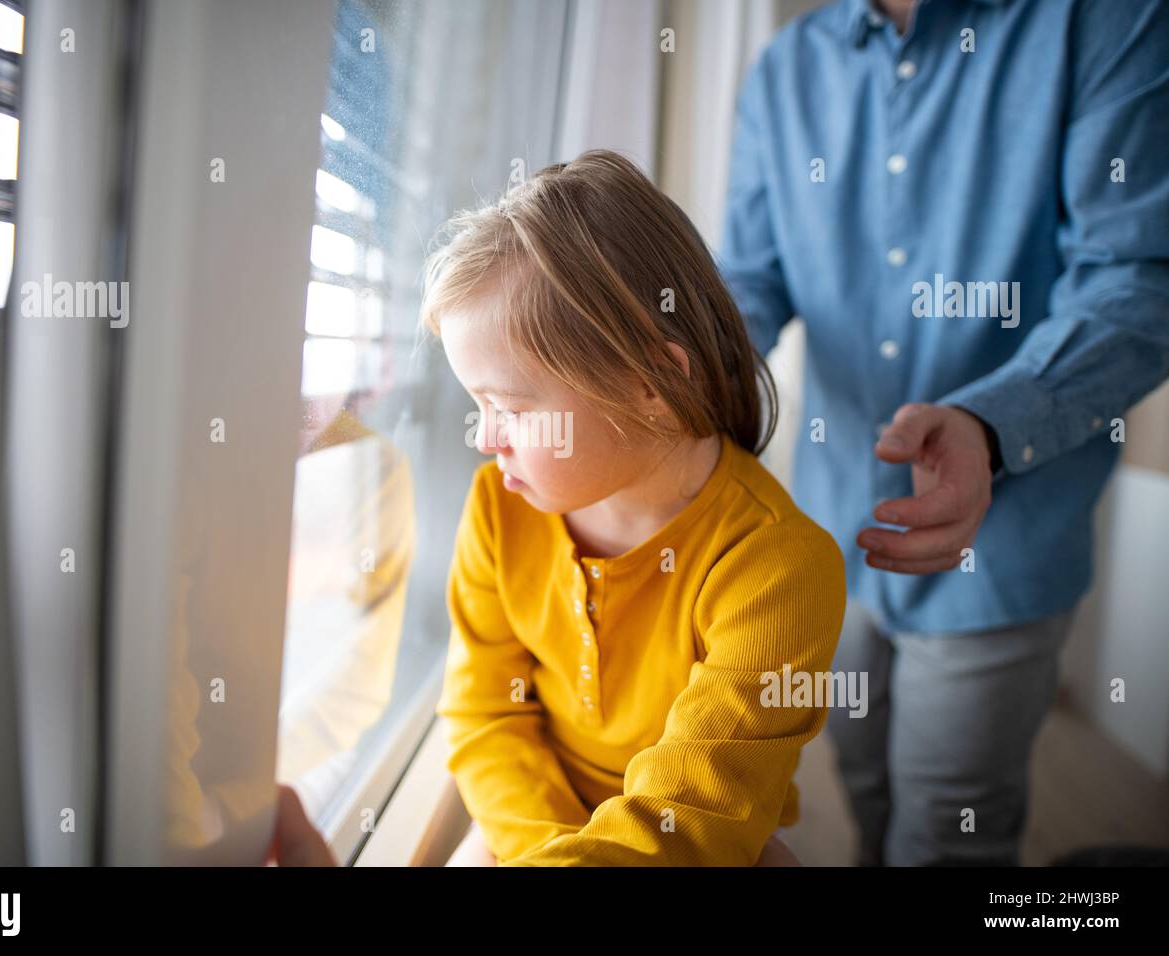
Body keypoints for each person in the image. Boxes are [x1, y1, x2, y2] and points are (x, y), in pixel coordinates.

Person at [718, 0, 1169, 864]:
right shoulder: (784, 71)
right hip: (830, 536)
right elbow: (748, 281)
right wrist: (680, 370)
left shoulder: (1109, 21)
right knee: (862, 787)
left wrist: (987, 423)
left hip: (1003, 535)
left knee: (952, 825)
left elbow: (1134, 281)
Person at [415, 149, 848, 866]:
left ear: (651, 381)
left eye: (508, 407)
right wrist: (545, 851)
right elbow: (485, 714)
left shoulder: (778, 568)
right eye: (475, 404)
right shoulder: (498, 506)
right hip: (535, 835)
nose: (484, 436)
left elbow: (698, 811)